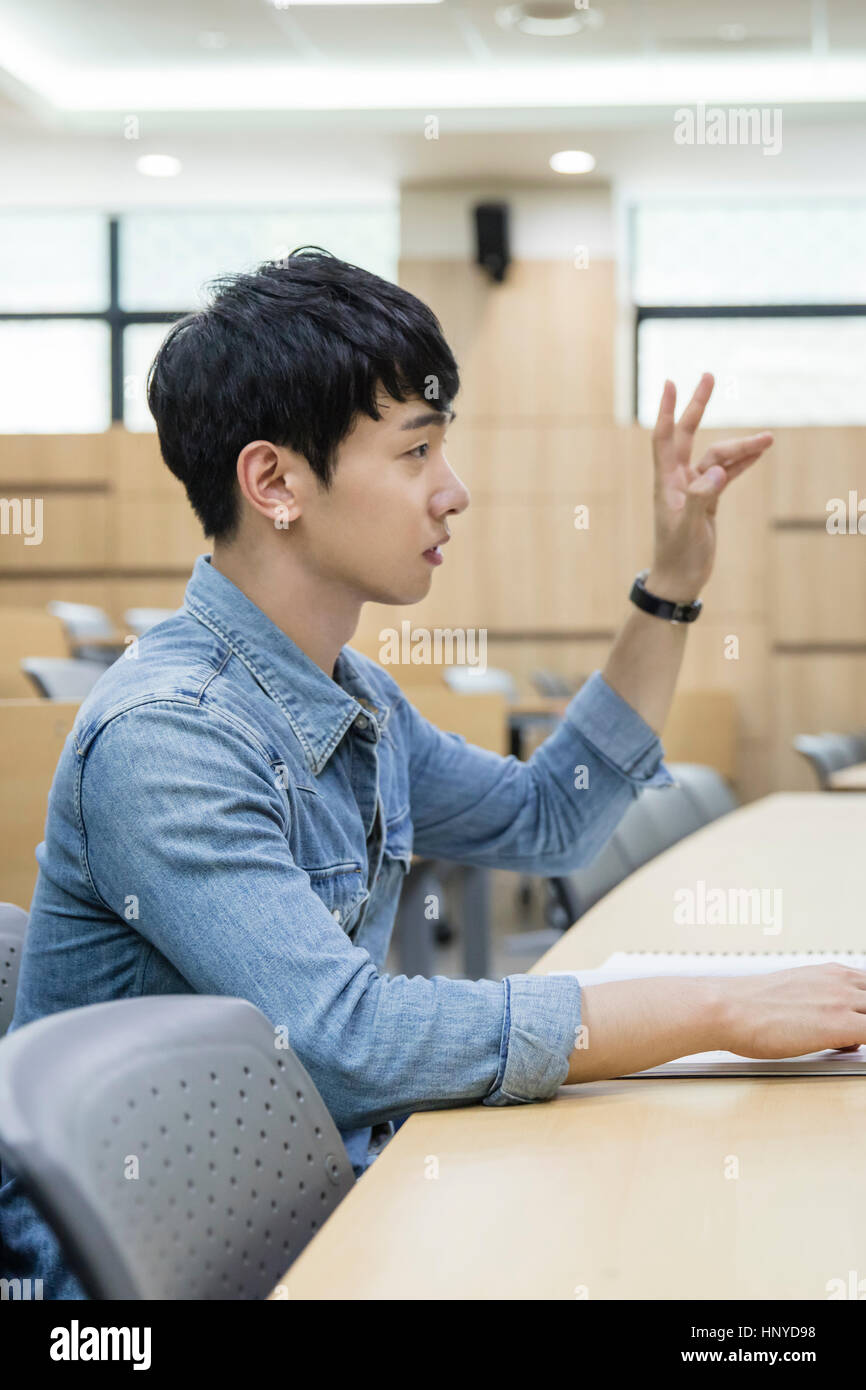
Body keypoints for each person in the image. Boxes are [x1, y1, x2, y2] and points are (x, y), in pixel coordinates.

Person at [2, 248, 863, 1300]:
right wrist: (708, 1010)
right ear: (274, 481)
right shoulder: (168, 735)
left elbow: (553, 819)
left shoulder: (351, 693)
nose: (452, 493)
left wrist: (672, 584)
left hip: (322, 1190)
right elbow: (341, 1041)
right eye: (415, 454)